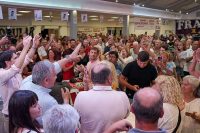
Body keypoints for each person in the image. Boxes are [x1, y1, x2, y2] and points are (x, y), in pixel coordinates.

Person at [20, 43, 82, 125]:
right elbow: (60, 122)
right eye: (54, 75)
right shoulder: (48, 101)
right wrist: (66, 101)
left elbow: (56, 65)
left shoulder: (28, 80)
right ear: (46, 80)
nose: (56, 77)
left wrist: (69, 57)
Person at [74, 62, 130, 133]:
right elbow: (125, 116)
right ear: (110, 79)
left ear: (93, 79)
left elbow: (77, 120)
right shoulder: (122, 96)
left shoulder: (81, 96)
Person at [0, 35, 40, 133]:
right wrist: (25, 46)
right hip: (8, 115)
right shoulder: (2, 74)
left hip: (20, 112)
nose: (18, 60)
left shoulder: (16, 70)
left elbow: (27, 58)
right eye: (15, 58)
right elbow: (16, 68)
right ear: (7, 62)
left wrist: (34, 46)